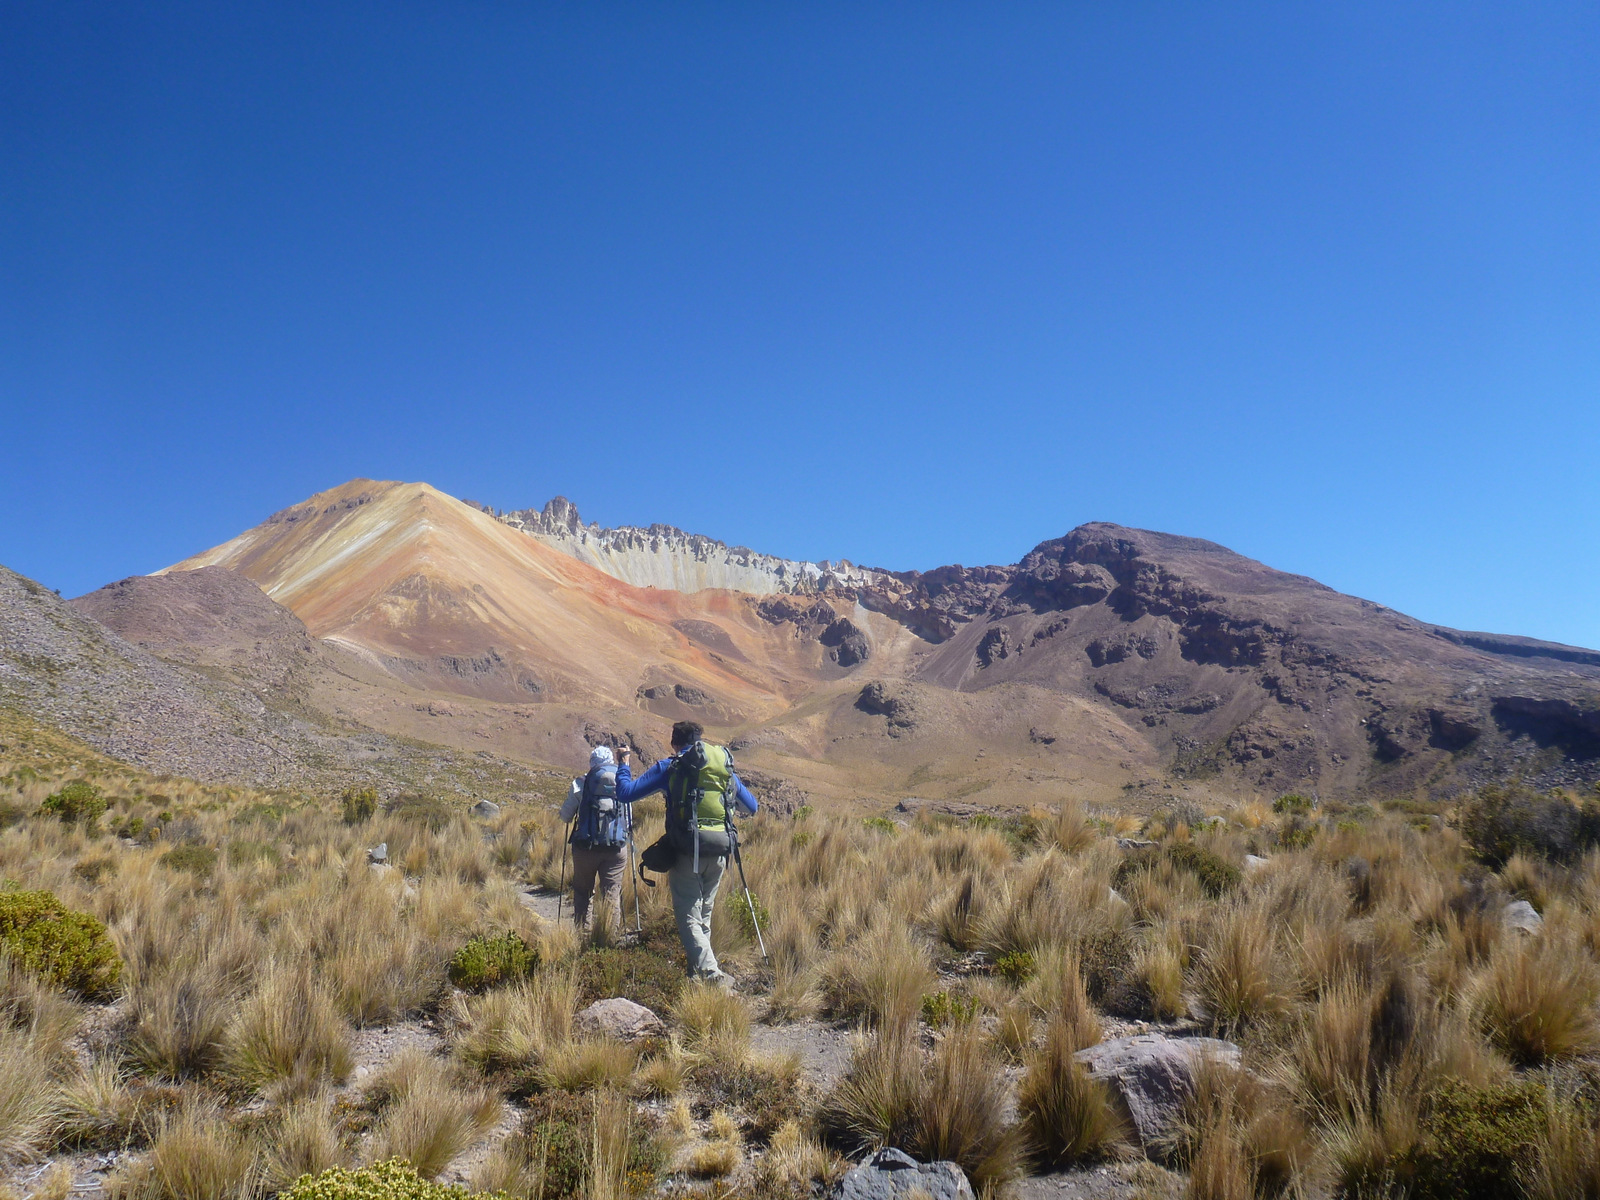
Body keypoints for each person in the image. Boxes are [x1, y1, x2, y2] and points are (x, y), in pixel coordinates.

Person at [615, 720, 757, 984]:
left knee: (688, 915)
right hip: (720, 850)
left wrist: (623, 765)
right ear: (700, 740)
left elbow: (625, 794)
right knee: (704, 913)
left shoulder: (670, 767)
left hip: (687, 852)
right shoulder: (721, 770)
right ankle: (698, 975)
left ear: (674, 742)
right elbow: (752, 807)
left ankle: (711, 974)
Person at [559, 745, 633, 932]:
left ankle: (582, 934)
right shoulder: (622, 782)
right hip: (616, 848)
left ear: (592, 763)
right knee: (611, 893)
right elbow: (629, 818)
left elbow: (565, 816)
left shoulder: (581, 783)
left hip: (586, 847)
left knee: (583, 892)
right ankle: (610, 937)